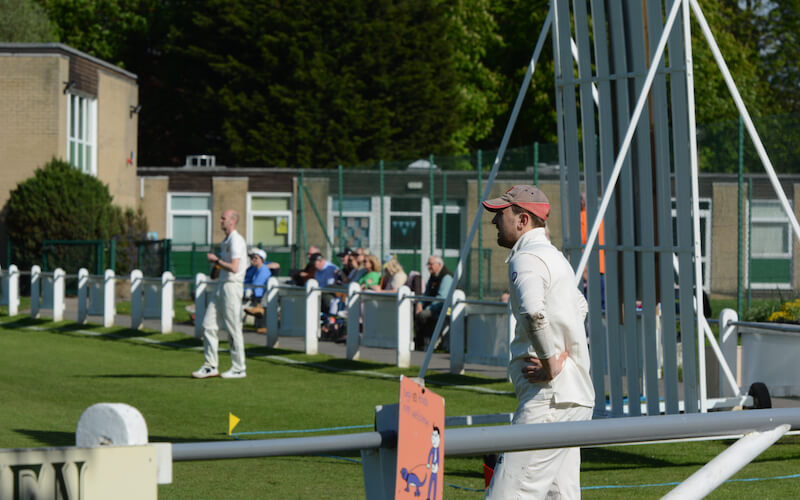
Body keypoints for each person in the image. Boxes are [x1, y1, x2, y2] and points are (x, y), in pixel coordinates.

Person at [482, 185, 594, 499]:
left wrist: (550, 364)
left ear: (523, 220)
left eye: (500, 214)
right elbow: (580, 307)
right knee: (560, 496)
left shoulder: (527, 258)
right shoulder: (555, 257)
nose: (494, 222)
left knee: (505, 496)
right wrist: (563, 352)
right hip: (574, 399)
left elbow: (533, 313)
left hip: (548, 400)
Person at [192, 209, 248, 379]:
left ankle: (239, 368)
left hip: (232, 286)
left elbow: (234, 267)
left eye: (223, 218)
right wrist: (216, 266)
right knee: (208, 325)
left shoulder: (236, 241)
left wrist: (217, 261)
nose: (220, 220)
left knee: (233, 328)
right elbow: (223, 268)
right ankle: (210, 366)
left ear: (232, 220)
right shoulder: (226, 241)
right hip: (221, 286)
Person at [413, 255, 453, 351]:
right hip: (434, 307)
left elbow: (441, 298)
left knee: (423, 315)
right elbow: (426, 294)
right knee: (416, 311)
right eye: (428, 264)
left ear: (439, 265)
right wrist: (420, 304)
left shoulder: (446, 277)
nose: (428, 267)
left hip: (445, 309)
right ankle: (420, 342)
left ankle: (424, 342)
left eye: (431, 264)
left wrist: (426, 309)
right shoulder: (433, 276)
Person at [243, 247, 271, 334]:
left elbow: (257, 285)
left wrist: (247, 291)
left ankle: (260, 313)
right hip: (256, 293)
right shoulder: (255, 269)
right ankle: (259, 324)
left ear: (261, 259)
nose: (253, 259)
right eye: (252, 258)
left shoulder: (263, 270)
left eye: (256, 258)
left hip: (260, 295)